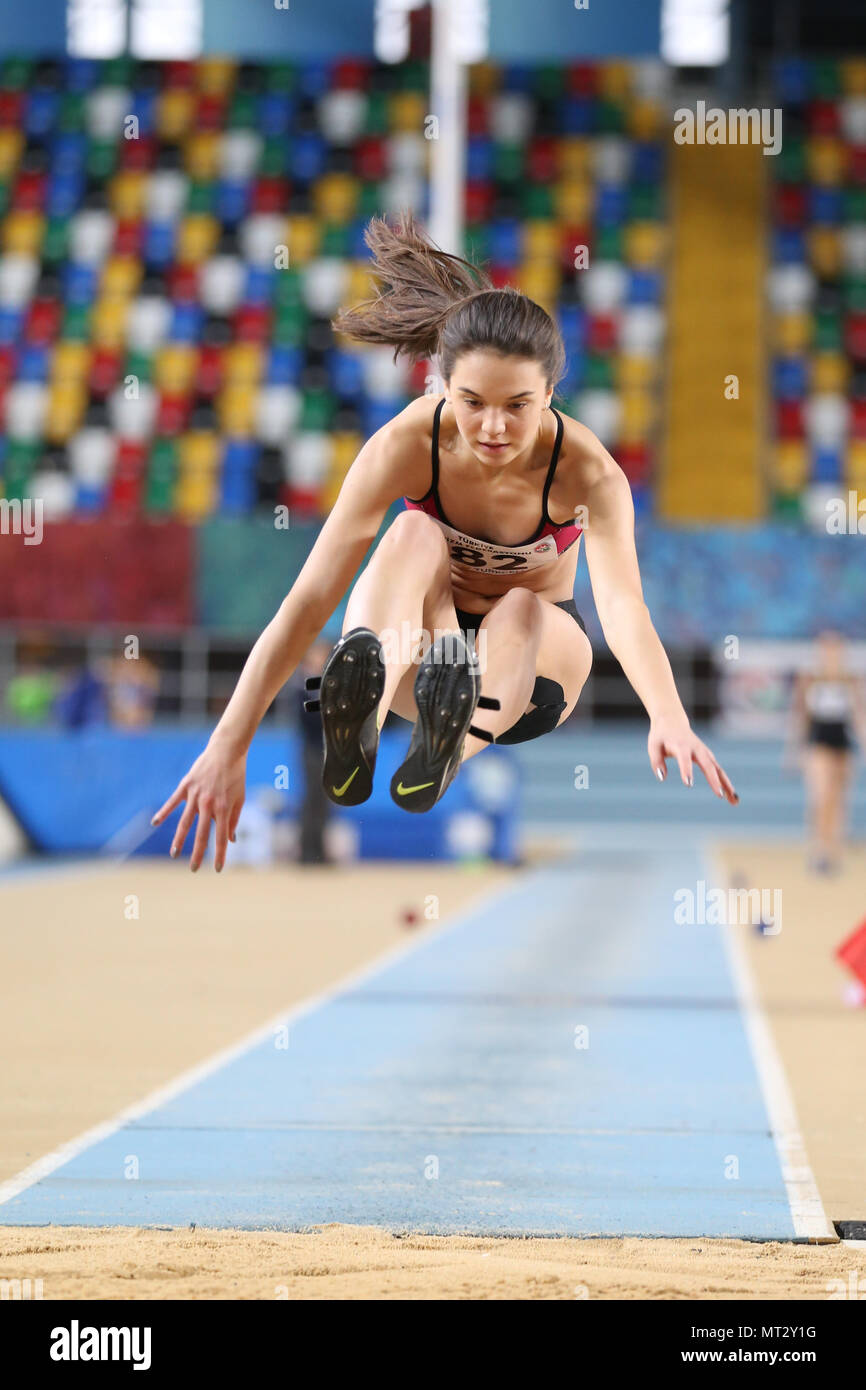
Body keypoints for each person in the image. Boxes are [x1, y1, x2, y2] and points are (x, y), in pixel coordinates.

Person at [152, 210, 738, 871]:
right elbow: (310, 597)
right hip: (424, 656)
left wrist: (668, 713)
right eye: (471, 402)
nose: (492, 427)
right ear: (442, 386)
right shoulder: (408, 443)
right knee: (410, 531)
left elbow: (626, 608)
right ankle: (360, 720)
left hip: (531, 676)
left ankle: (444, 749)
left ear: (551, 392)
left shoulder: (587, 471)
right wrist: (228, 743)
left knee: (519, 608)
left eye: (517, 405)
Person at [786, 630, 866, 874]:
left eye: (836, 650)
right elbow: (800, 716)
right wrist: (794, 750)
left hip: (842, 743)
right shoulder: (809, 678)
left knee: (839, 800)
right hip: (819, 743)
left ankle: (834, 850)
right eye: (827, 650)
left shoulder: (851, 679)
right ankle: (818, 849)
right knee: (821, 797)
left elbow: (858, 716)